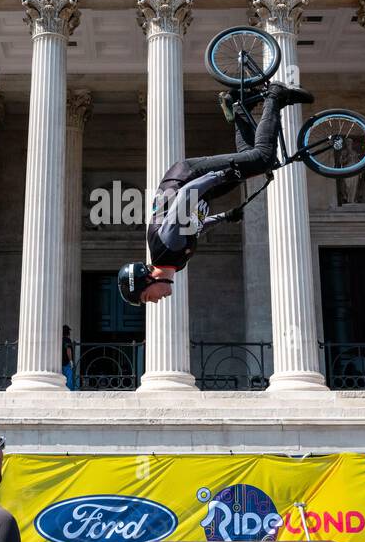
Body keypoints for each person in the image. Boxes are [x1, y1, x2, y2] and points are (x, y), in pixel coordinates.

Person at [118, 81, 315, 305]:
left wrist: (221, 175)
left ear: (147, 280)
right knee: (250, 162)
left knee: (262, 158)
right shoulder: (175, 260)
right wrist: (225, 217)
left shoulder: (166, 249)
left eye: (146, 297)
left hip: (191, 177)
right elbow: (195, 227)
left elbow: (186, 195)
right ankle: (240, 104)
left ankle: (275, 96)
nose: (153, 301)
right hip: (202, 189)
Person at [61, 325, 76, 391]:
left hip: (60, 362)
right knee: (69, 378)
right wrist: (71, 360)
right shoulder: (67, 340)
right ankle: (70, 391)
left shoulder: (60, 340)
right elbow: (68, 350)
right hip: (66, 362)